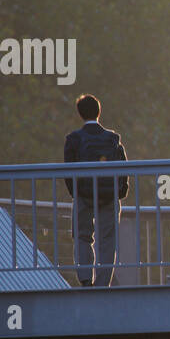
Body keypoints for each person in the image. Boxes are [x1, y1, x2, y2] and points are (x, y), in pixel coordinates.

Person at [63, 94, 128, 287]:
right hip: (109, 195)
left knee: (82, 235)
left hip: (84, 194)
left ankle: (85, 278)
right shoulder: (113, 138)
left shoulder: (74, 139)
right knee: (107, 239)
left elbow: (68, 170)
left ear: (80, 113)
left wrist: (76, 192)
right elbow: (123, 166)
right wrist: (120, 192)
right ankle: (102, 283)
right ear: (99, 111)